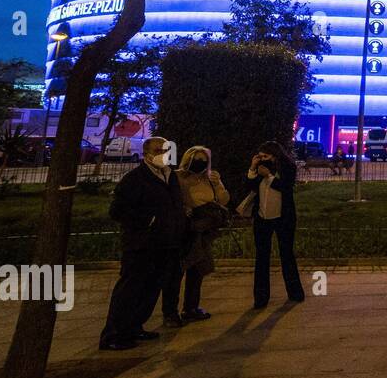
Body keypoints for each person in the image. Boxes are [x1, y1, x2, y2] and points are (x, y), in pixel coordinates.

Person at [99, 136, 186, 350]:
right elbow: (118, 211)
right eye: (158, 150)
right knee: (130, 289)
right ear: (147, 154)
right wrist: (148, 220)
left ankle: (135, 326)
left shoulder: (170, 176)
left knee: (151, 288)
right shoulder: (135, 179)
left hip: (165, 243)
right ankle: (113, 335)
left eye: (166, 149)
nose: (163, 153)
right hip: (141, 244)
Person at [169, 145, 230, 324]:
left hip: (203, 230)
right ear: (189, 159)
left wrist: (218, 183)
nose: (201, 163)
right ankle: (170, 311)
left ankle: (191, 307)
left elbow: (224, 200)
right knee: (177, 271)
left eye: (204, 160)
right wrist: (182, 209)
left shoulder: (209, 178)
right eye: (197, 159)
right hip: (185, 229)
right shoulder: (178, 177)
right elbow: (171, 199)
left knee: (197, 270)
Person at [241, 141, 304, 308]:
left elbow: (286, 187)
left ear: (275, 156)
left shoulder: (287, 168)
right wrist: (253, 169)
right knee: (262, 257)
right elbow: (249, 186)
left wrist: (269, 176)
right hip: (262, 218)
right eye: (260, 156)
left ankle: (295, 292)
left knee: (286, 254)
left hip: (283, 218)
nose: (263, 159)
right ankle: (261, 297)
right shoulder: (259, 170)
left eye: (266, 156)